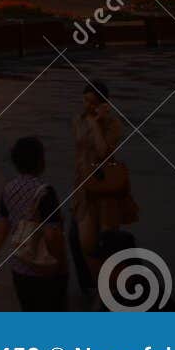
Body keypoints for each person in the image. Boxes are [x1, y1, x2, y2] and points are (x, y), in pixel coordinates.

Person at [0, 136, 68, 310]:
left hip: (20, 266)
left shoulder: (8, 189)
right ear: (40, 162)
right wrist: (62, 262)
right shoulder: (45, 192)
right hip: (46, 269)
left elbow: (2, 228)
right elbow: (52, 234)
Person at [70, 81, 122, 295]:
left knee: (102, 240)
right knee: (74, 237)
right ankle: (90, 284)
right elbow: (80, 145)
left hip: (103, 188)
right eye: (85, 100)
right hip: (81, 185)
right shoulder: (78, 119)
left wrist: (96, 124)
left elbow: (103, 153)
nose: (88, 106)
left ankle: (108, 286)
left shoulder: (113, 124)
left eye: (93, 102)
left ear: (103, 104)